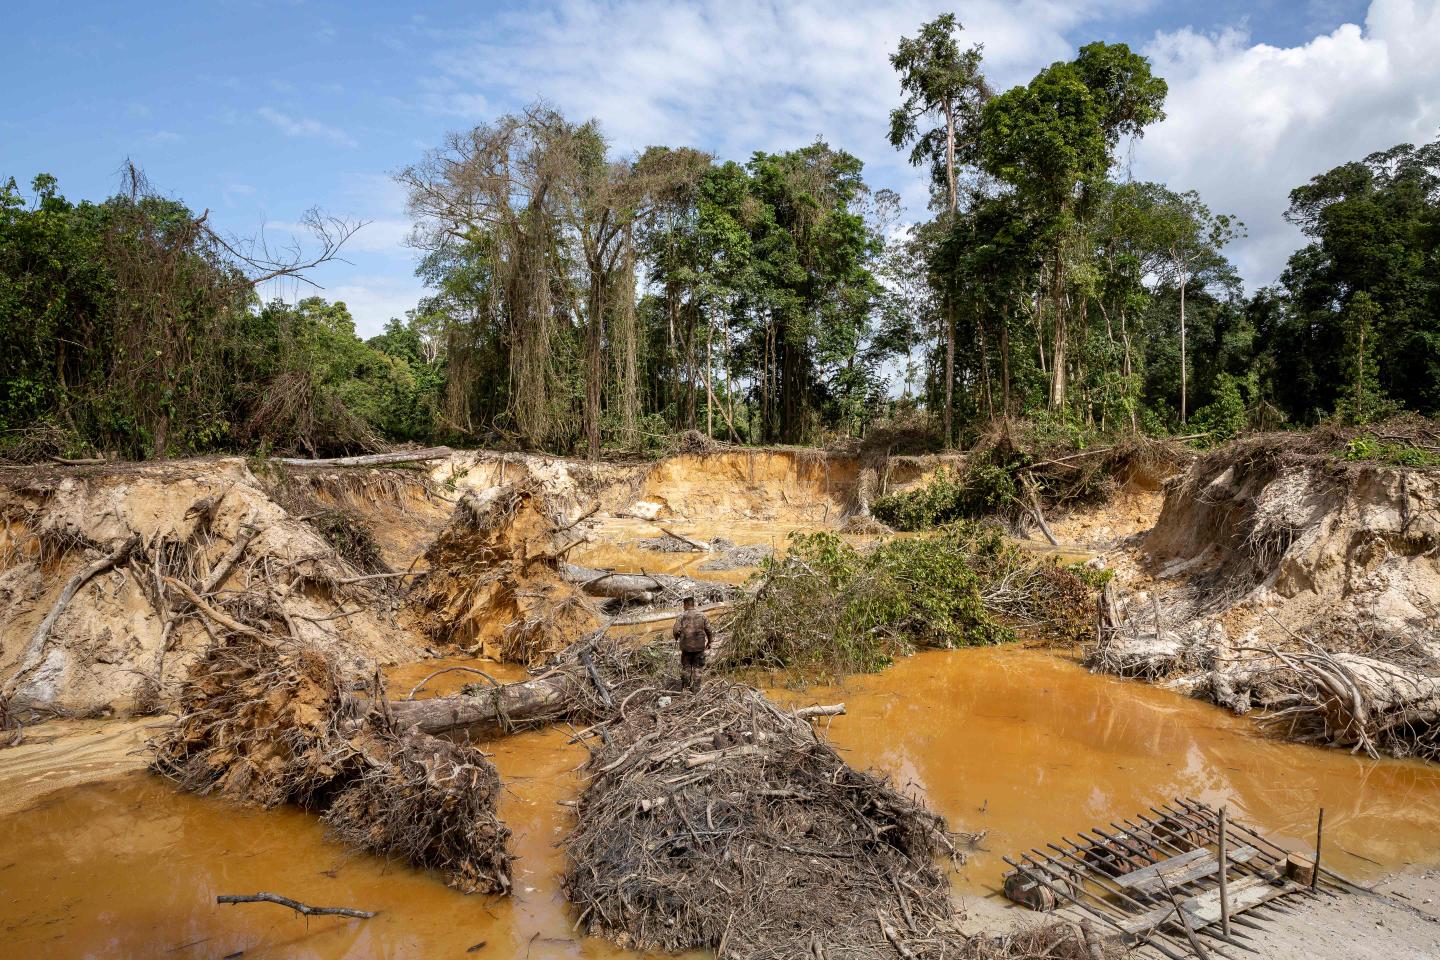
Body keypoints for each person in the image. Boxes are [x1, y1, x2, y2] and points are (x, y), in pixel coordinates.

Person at [673, 596, 713, 691]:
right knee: (698, 669)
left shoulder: (681, 616)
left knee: (686, 668)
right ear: (693, 604)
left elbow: (675, 631)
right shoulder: (702, 615)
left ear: (686, 604)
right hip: (699, 648)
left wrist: (677, 637)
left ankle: (685, 689)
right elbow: (709, 630)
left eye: (684, 605)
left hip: (686, 648)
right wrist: (710, 642)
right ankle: (696, 690)